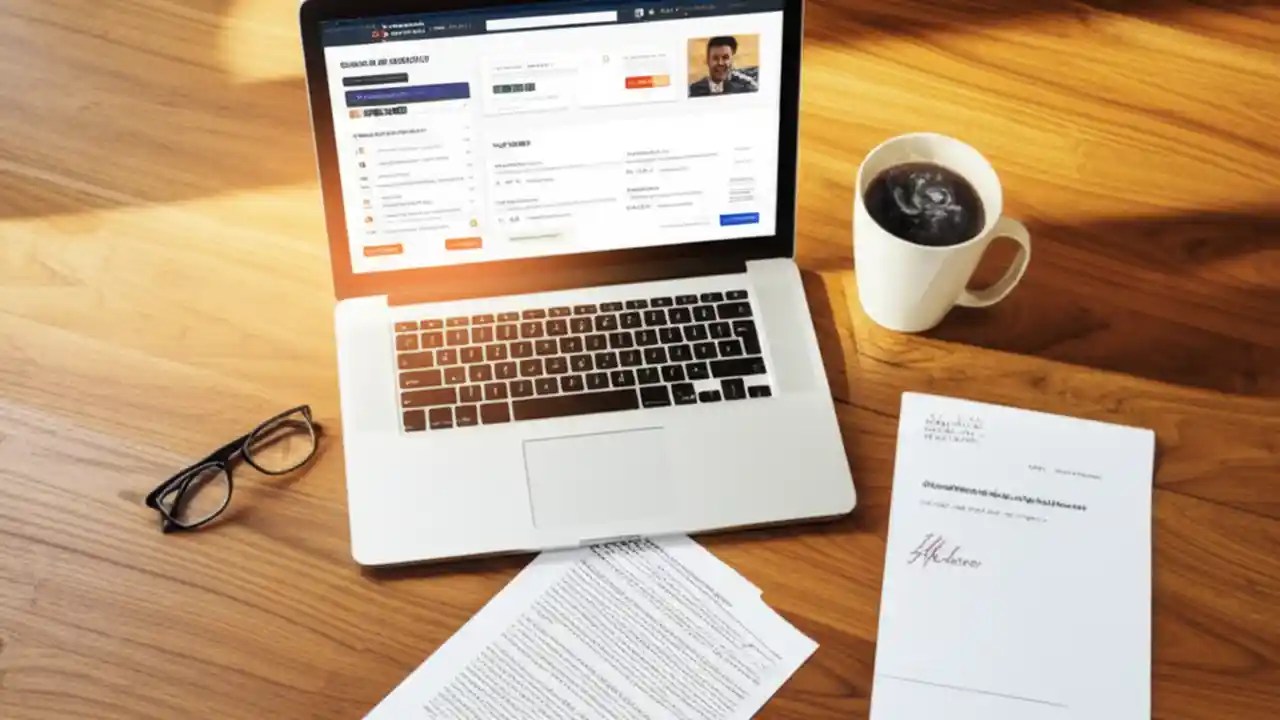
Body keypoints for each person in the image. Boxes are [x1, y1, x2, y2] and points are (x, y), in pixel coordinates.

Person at [688, 36, 758, 97]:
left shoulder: (747, 87)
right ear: (707, 61)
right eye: (715, 58)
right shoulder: (692, 91)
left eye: (725, 57)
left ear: (732, 60)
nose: (720, 63)